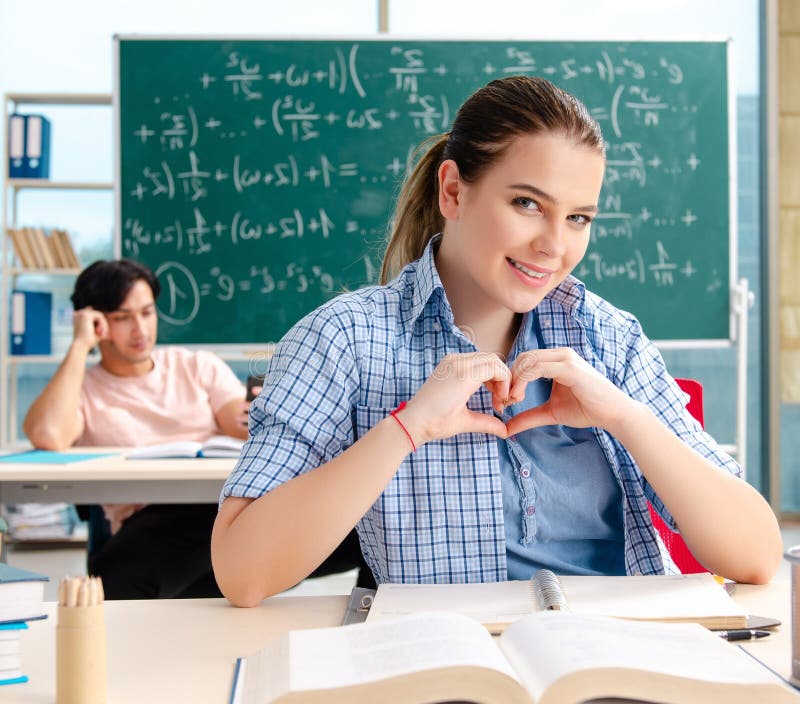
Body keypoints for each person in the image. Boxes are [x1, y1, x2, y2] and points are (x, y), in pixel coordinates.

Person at [211, 76, 782, 607]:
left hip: (615, 657)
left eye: (579, 217)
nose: (554, 246)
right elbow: (242, 573)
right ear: (454, 191)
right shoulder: (344, 339)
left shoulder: (610, 340)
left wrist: (622, 417)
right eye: (527, 204)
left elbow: (756, 556)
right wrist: (407, 427)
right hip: (449, 664)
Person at [22, 259, 370, 597]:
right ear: (96, 322)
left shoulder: (195, 366)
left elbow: (240, 422)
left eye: (146, 312)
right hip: (151, 528)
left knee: (368, 527)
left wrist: (267, 409)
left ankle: (373, 631)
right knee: (118, 572)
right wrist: (79, 345)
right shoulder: (81, 390)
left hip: (222, 507)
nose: (140, 330)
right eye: (122, 318)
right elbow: (48, 435)